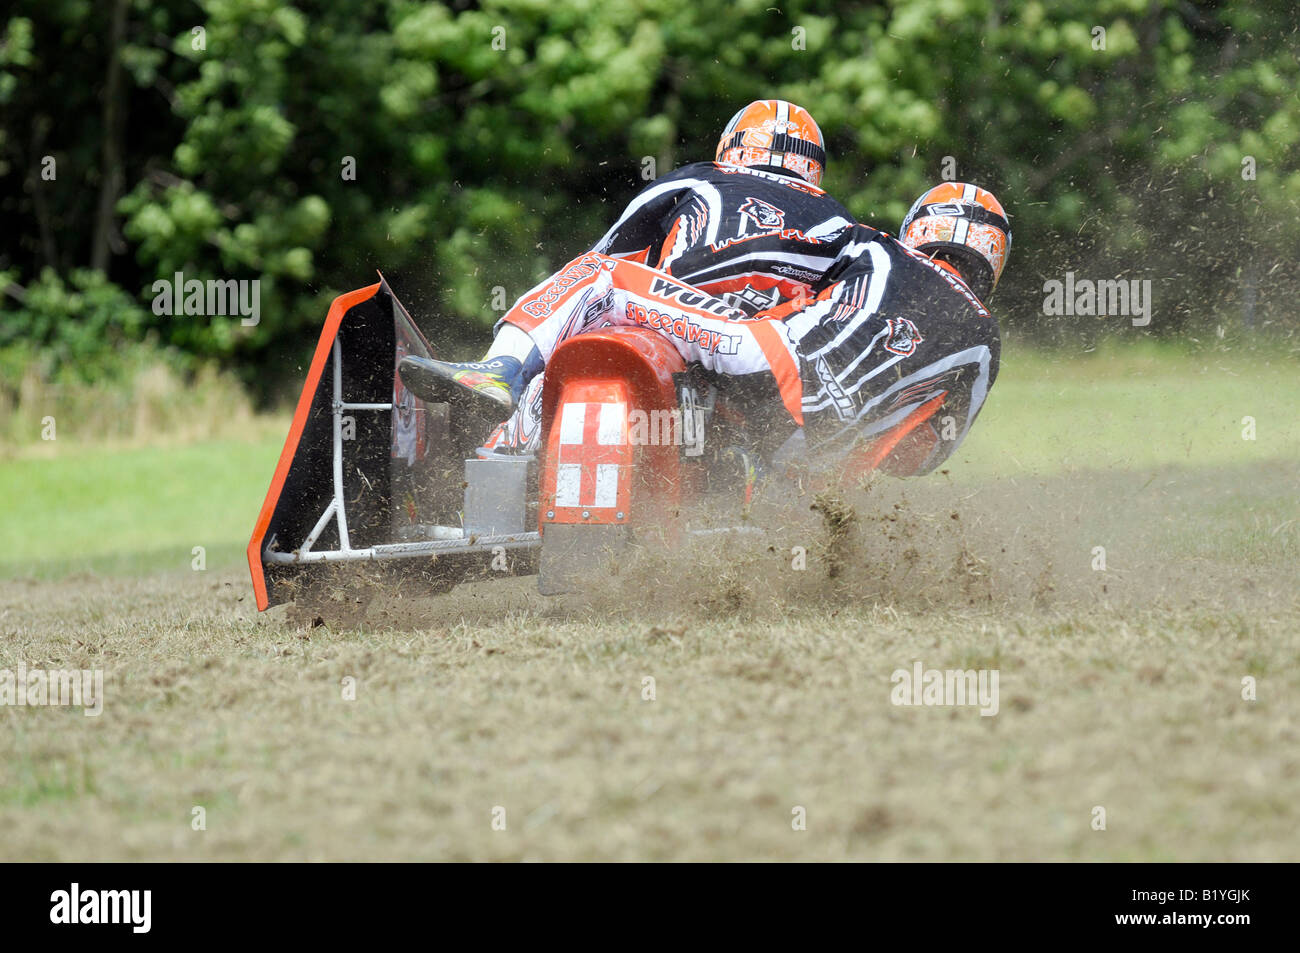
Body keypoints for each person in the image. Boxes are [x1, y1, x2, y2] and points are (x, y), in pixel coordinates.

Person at [399, 99, 857, 445]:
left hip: (698, 329)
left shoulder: (702, 176)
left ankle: (500, 378)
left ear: (732, 148)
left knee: (597, 275)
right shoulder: (841, 221)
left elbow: (611, 253)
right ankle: (742, 462)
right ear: (813, 166)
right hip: (775, 366)